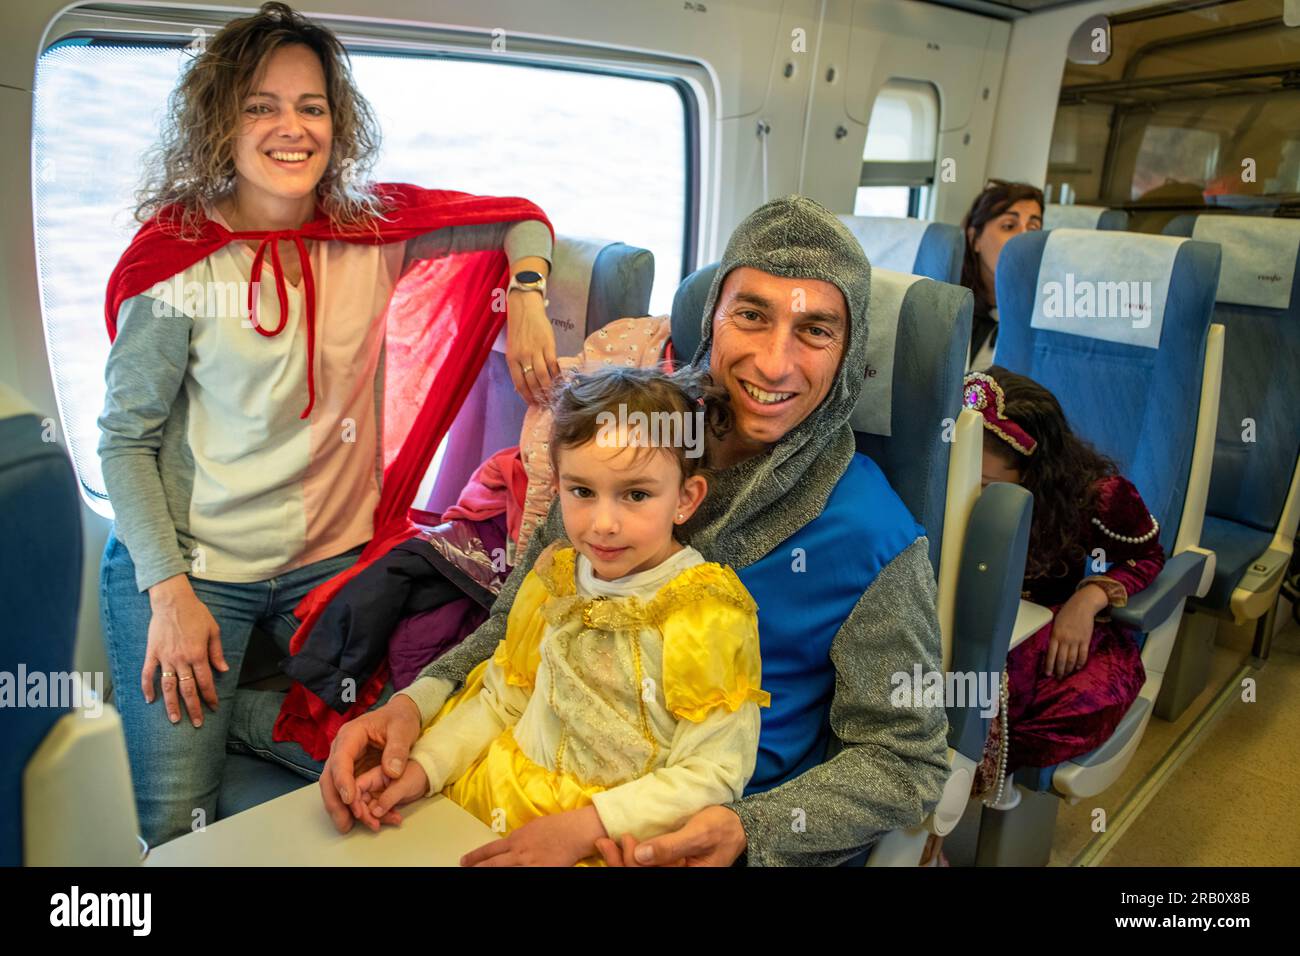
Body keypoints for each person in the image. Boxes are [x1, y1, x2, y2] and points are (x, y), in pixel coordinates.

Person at [321, 194, 953, 867]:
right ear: (712, 319)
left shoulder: (875, 537)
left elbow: (906, 761)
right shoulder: (623, 440)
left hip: (688, 834)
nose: (774, 363)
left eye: (815, 331)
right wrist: (418, 705)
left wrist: (751, 829)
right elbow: (514, 630)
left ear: (851, 356)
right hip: (526, 788)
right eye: (752, 315)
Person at [97, 1, 556, 848]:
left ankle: (243, 713)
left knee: (398, 773)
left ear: (338, 125)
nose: (291, 127)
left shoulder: (373, 232)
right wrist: (168, 594)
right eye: (261, 106)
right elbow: (122, 441)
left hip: (334, 565)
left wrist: (525, 295)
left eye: (312, 107)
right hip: (197, 571)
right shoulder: (180, 261)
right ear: (218, 125)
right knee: (173, 828)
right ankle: (229, 710)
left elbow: (520, 215)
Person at [350, 366, 770, 866]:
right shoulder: (556, 577)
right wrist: (424, 767)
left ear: (685, 498)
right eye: (582, 492)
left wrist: (589, 825)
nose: (603, 524)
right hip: (491, 799)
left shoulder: (707, 615)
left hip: (610, 838)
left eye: (636, 495)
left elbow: (714, 772)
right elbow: (502, 702)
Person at [920, 368, 1164, 865]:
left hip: (1051, 633)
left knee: (967, 697)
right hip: (973, 618)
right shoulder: (943, 470)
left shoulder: (1099, 499)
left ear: (1032, 474)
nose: (970, 492)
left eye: (987, 485)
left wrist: (1090, 596)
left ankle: (930, 838)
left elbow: (1148, 557)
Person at [960, 180, 1044, 369]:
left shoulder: (1043, 315)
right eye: (1009, 226)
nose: (1024, 239)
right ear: (975, 239)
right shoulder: (950, 309)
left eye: (1033, 229)